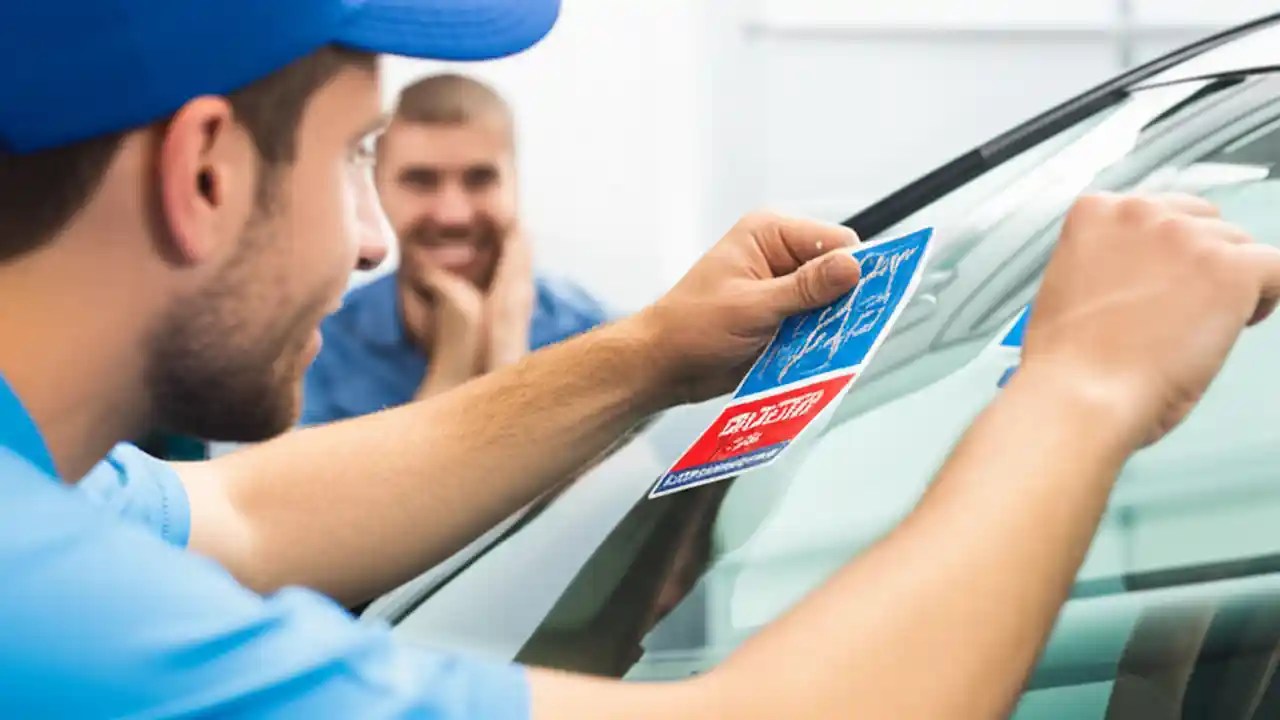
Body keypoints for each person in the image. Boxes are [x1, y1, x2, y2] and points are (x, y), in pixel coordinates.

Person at [2, 1, 1280, 718]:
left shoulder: (40, 506)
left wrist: (649, 353)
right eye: (355, 159)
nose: (374, 241)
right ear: (205, 170)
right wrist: (1083, 385)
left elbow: (251, 512)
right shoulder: (53, 624)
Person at [302, 74, 606, 423]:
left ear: (515, 183)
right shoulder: (316, 351)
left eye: (480, 179)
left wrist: (506, 352)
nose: (453, 215)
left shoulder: (595, 338)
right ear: (378, 189)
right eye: (420, 181)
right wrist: (452, 364)